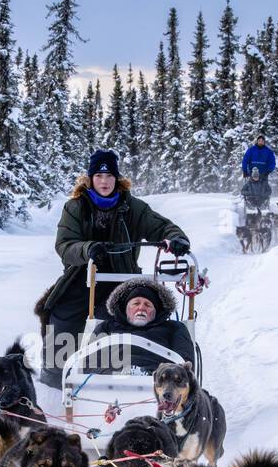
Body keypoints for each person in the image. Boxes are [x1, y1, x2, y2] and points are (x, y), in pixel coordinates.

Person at [35, 149, 190, 387]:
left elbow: (162, 227)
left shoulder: (133, 207)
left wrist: (176, 239)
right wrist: (88, 249)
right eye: (98, 176)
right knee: (62, 315)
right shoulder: (76, 207)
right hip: (83, 275)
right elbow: (64, 245)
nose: (104, 181)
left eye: (109, 176)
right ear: (90, 179)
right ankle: (56, 378)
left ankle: (134, 370)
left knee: (128, 319)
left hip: (123, 277)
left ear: (117, 179)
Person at [88, 278, 194, 375]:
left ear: (156, 312)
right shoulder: (107, 327)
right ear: (125, 309)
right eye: (136, 303)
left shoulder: (173, 328)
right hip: (107, 385)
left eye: (148, 305)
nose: (141, 308)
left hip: (159, 383)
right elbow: (90, 364)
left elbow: (184, 363)